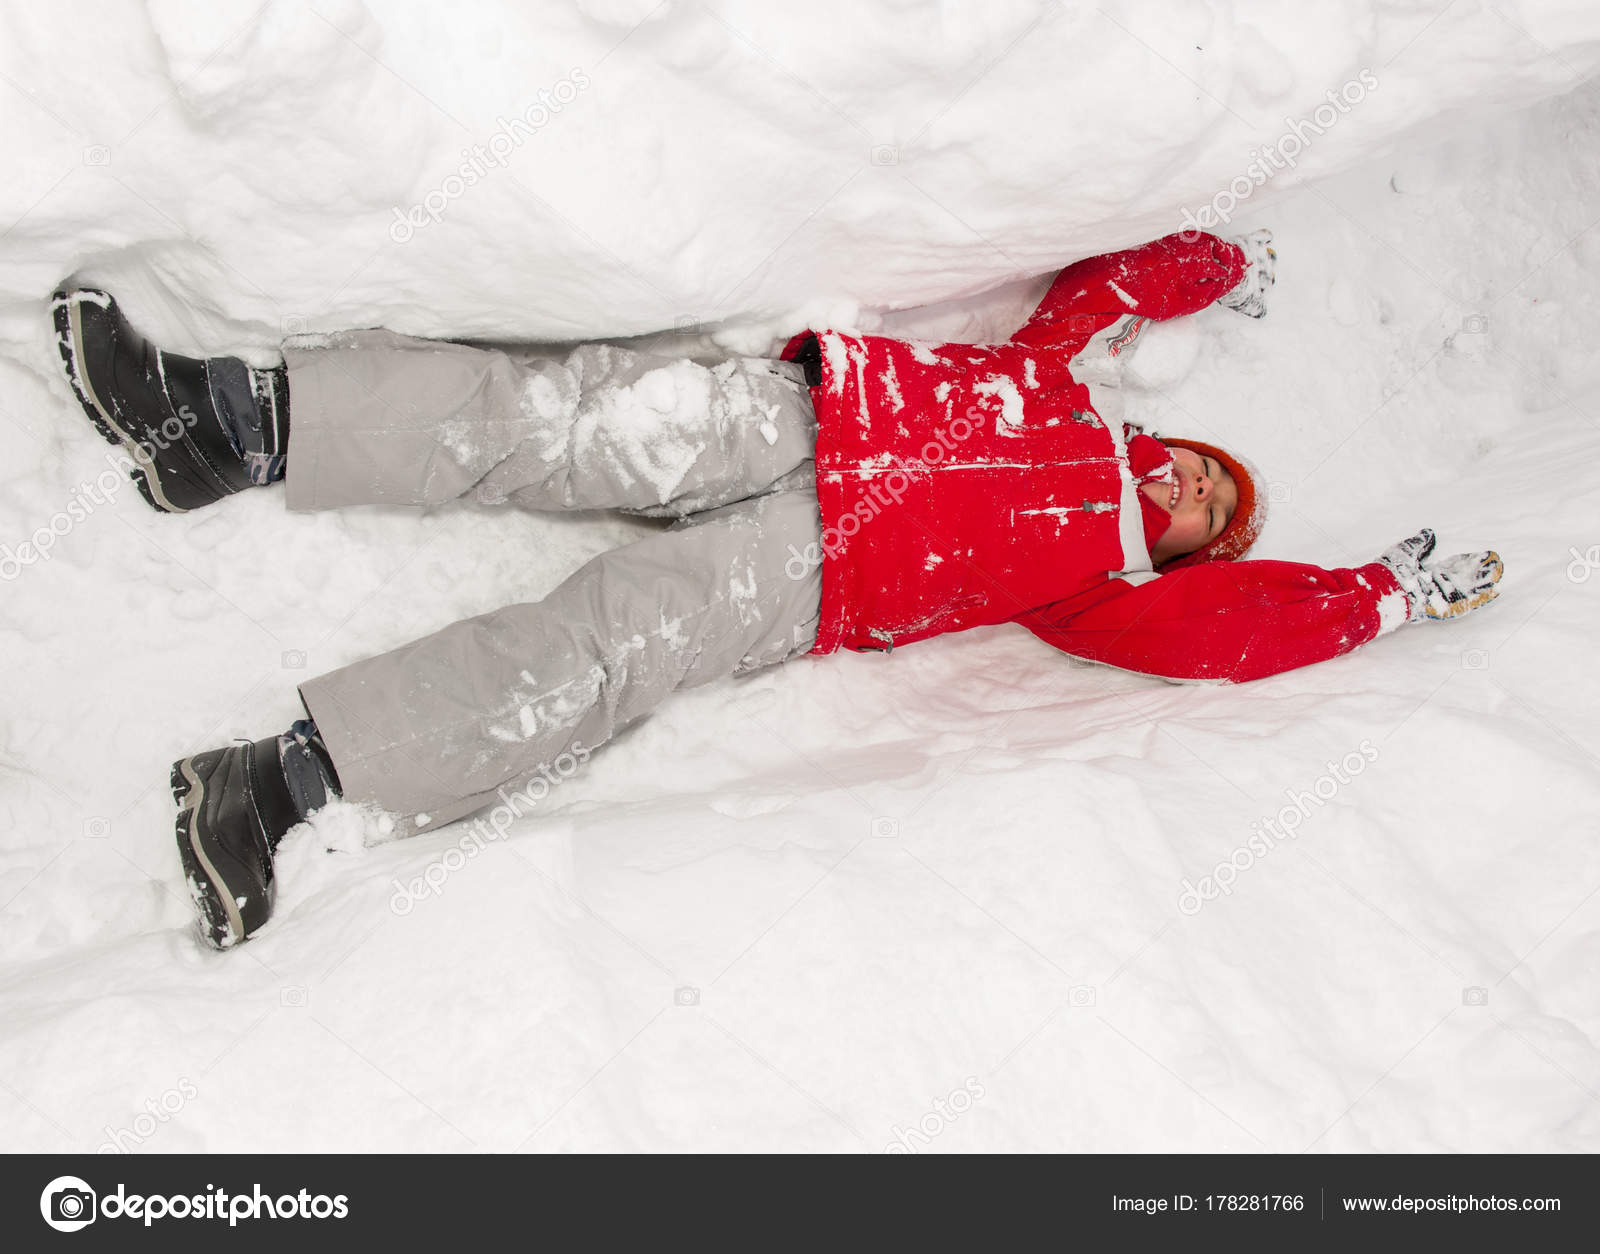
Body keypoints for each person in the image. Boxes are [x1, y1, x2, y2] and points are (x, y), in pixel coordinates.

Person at [50, 230, 1503, 949]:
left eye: (1213, 517)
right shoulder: (1063, 391)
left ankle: (283, 783)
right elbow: (1113, 289)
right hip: (798, 418)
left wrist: (1376, 595)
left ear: (1188, 552)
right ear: (1170, 441)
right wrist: (1225, 262)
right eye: (1203, 468)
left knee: (596, 653)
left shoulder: (1107, 584)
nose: (1193, 491)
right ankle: (222, 420)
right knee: (537, 420)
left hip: (815, 572)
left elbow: (1231, 635)